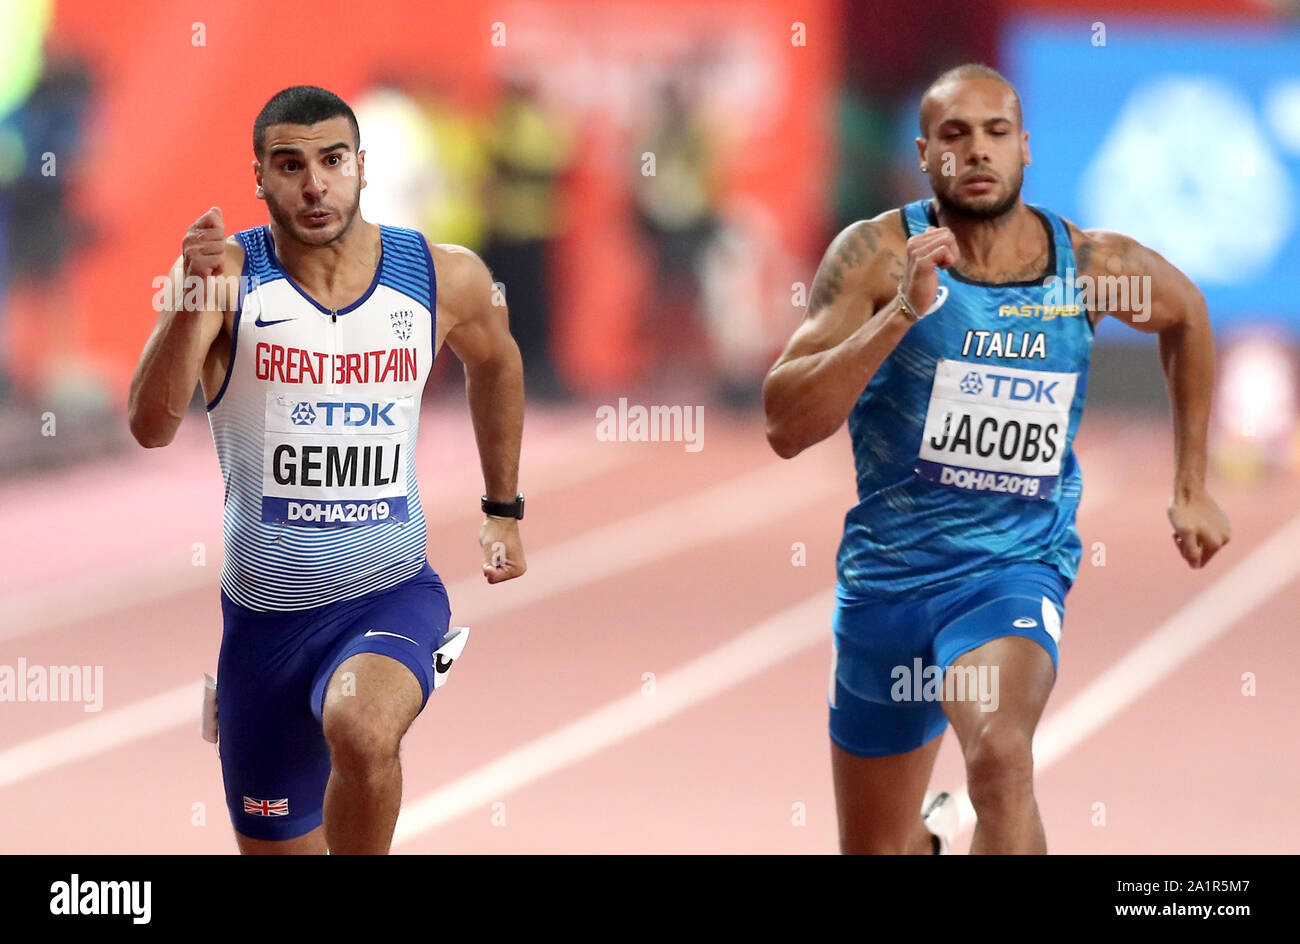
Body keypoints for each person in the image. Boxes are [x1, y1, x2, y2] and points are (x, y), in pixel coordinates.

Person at [761, 64, 1230, 854]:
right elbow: (785, 422)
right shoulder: (876, 256)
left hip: (1012, 568)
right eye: (954, 135)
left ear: (1025, 149)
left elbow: (1186, 315)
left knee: (1003, 756)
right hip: (888, 583)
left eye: (995, 133)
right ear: (924, 154)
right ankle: (937, 839)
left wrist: (1191, 485)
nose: (976, 151)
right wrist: (903, 313)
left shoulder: (1086, 269)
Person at [128, 86, 527, 854]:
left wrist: (502, 506)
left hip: (388, 592)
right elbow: (150, 426)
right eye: (289, 165)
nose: (313, 184)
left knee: (362, 726)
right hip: (263, 629)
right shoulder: (229, 280)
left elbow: (498, 365)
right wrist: (189, 299)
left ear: (362, 168)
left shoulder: (444, 277)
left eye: (331, 160)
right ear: (260, 179)